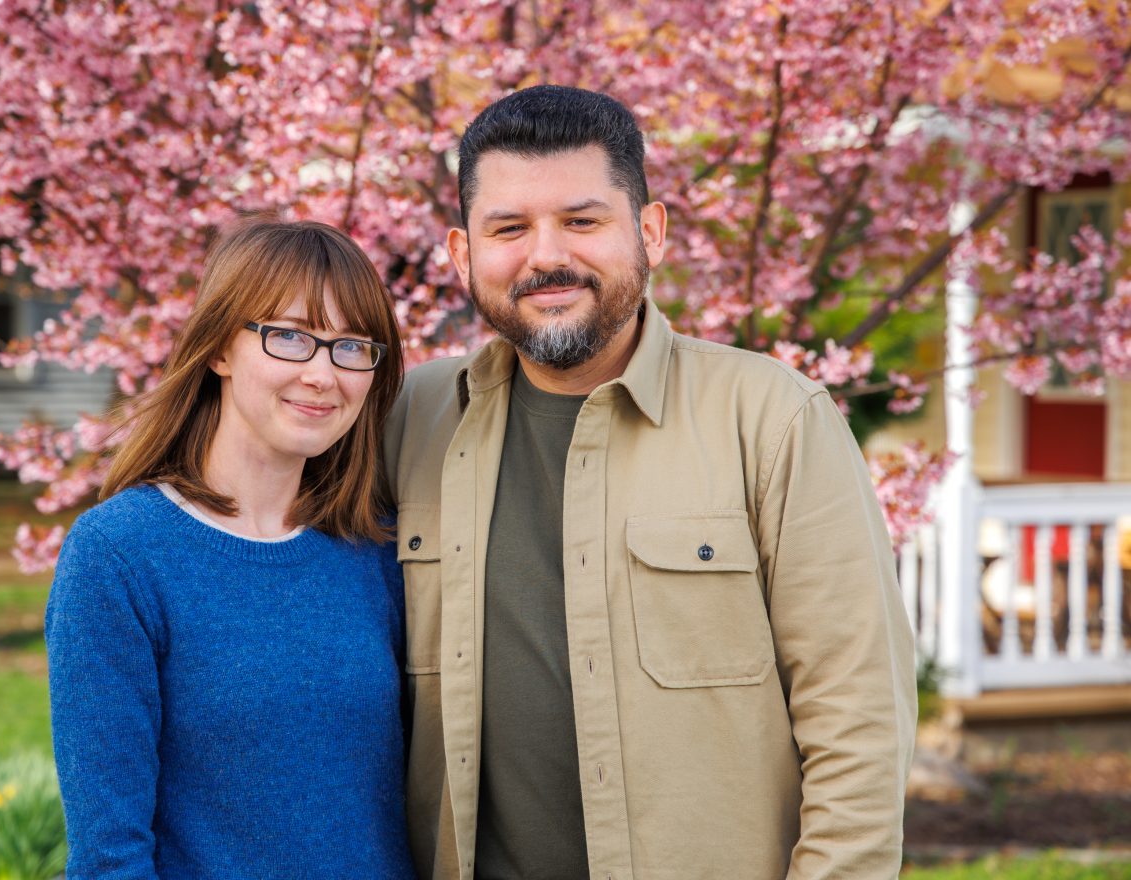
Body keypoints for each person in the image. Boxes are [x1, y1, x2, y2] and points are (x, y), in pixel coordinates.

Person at [383, 85, 917, 879]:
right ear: (463, 255)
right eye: (509, 228)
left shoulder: (772, 418)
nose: (546, 257)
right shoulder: (408, 419)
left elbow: (859, 719)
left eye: (582, 221)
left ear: (651, 232)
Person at [45, 218, 415, 879]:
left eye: (352, 346)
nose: (323, 374)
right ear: (219, 348)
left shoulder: (376, 549)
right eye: (290, 337)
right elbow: (108, 857)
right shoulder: (118, 556)